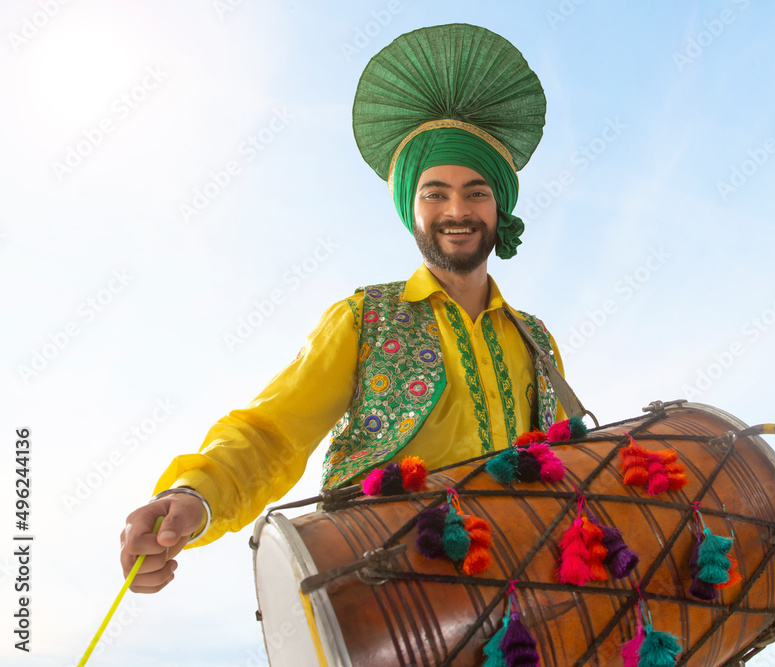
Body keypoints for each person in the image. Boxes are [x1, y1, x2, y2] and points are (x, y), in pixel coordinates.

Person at [119, 23, 569, 594]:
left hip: (531, 602)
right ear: (413, 210)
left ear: (499, 205)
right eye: (435, 192)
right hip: (390, 596)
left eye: (476, 190)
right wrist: (193, 497)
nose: (457, 208)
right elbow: (273, 433)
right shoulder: (365, 318)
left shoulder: (535, 338)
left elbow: (571, 468)